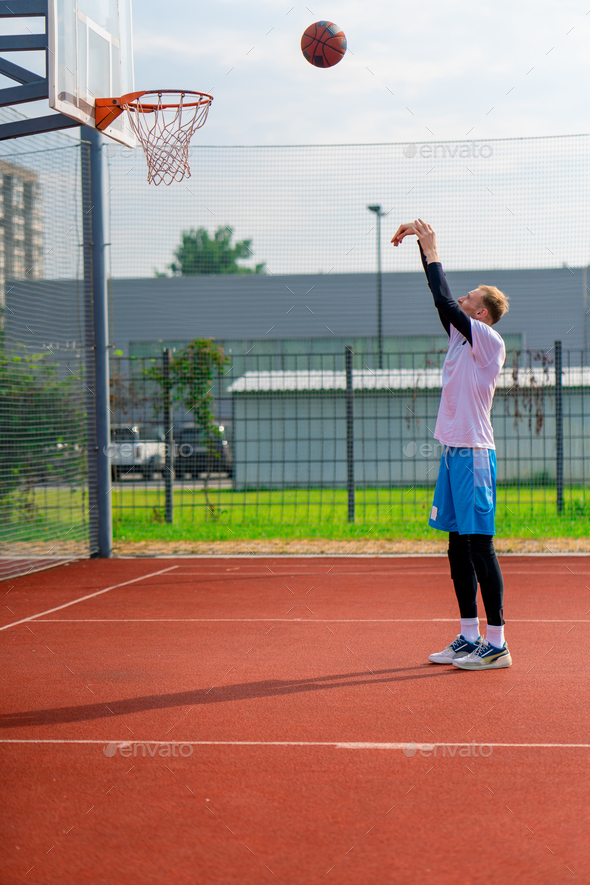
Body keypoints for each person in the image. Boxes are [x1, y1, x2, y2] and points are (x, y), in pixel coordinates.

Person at [391, 219, 512, 670]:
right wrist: (422, 249)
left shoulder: (487, 339)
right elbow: (440, 299)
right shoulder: (463, 340)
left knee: (481, 546)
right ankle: (468, 635)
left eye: (469, 300)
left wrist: (433, 243)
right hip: (453, 453)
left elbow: (444, 299)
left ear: (480, 314)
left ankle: (497, 643)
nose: (461, 301)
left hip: (475, 457)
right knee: (456, 548)